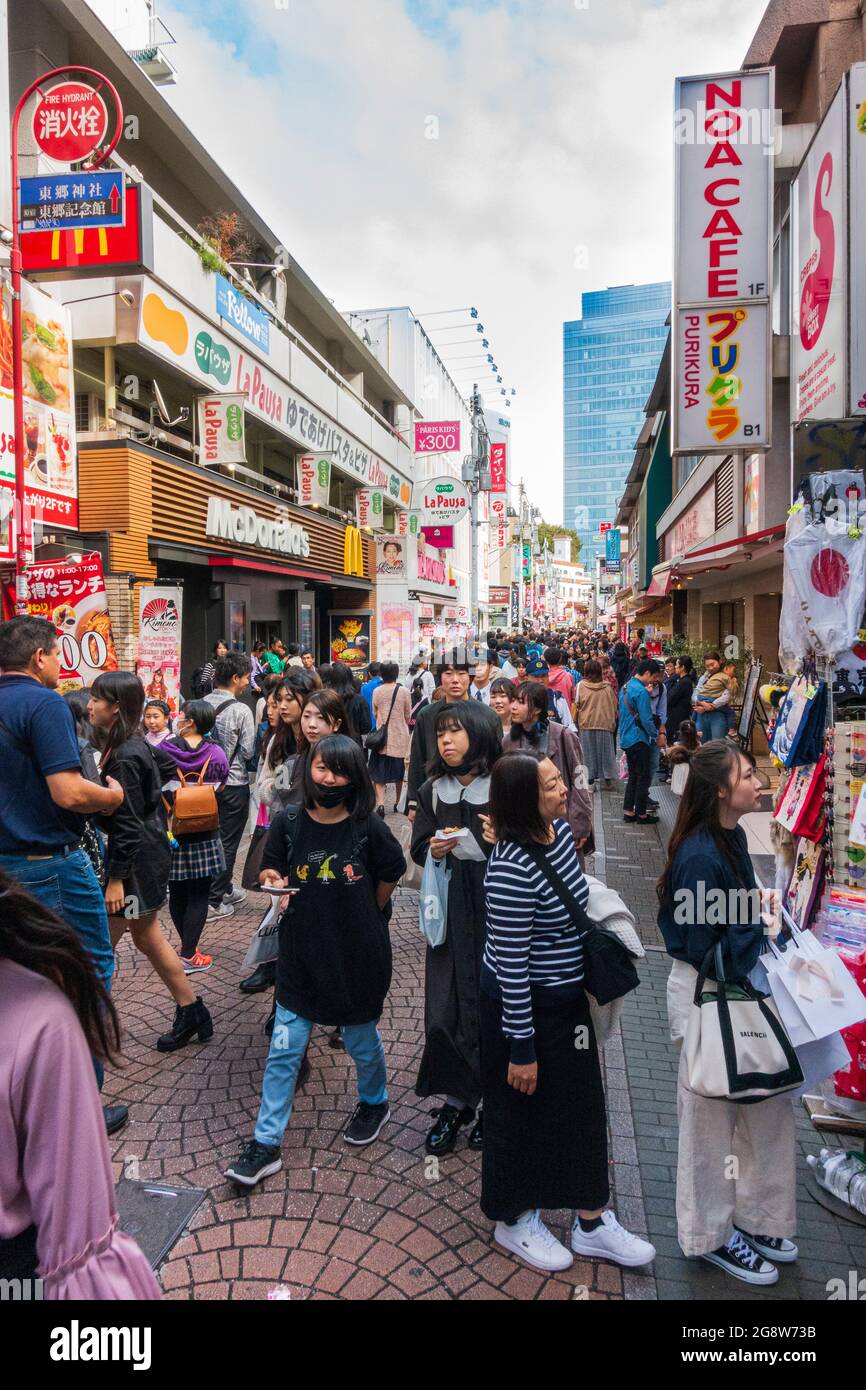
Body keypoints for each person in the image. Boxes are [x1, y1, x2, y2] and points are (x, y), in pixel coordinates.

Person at [481, 753, 655, 1273]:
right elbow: (511, 969)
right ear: (524, 800)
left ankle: (593, 1221)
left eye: (559, 778)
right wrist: (522, 1048)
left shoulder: (557, 834)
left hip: (566, 1001)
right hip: (522, 1011)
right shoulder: (508, 871)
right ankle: (513, 1218)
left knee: (581, 1106)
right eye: (552, 783)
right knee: (519, 1113)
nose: (564, 787)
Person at [225, 736, 405, 1186]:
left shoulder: (367, 825)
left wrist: (369, 909)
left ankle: (374, 1101)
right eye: (322, 768)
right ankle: (266, 1143)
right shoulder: (288, 821)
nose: (328, 779)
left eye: (339, 772)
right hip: (300, 952)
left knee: (361, 1040)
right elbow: (272, 869)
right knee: (284, 1048)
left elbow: (391, 872)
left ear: (355, 779)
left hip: (357, 953)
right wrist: (272, 880)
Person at [657, 741, 796, 1285]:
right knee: (710, 1121)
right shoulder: (698, 854)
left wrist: (753, 910)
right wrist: (755, 923)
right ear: (720, 789)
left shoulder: (731, 836)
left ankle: (757, 1218)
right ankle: (709, 1234)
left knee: (765, 1106)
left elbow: (722, 919)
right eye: (748, 774)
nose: (759, 782)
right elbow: (698, 942)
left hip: (735, 992)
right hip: (705, 996)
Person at [0, 871, 160, 1298]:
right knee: (137, 935)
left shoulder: (35, 1020)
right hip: (78, 880)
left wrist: (119, 876)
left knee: (137, 934)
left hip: (105, 876)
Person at [0, 617, 126, 1132]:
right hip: (48, 861)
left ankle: (25, 1098)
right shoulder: (43, 703)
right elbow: (71, 792)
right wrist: (113, 797)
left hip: (7, 865)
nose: (61, 664)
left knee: (19, 980)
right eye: (57, 654)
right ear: (38, 658)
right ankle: (76, 1104)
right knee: (87, 972)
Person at [88, 671, 213, 1052]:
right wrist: (151, 803)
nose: (90, 705)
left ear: (116, 707)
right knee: (144, 935)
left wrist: (115, 879)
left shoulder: (124, 754)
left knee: (103, 943)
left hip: (135, 864)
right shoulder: (132, 743)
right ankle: (192, 1011)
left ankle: (87, 1026)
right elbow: (161, 769)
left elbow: (124, 826)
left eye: (97, 699)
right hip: (146, 853)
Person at [411, 702, 501, 1155]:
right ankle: (457, 1100)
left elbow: (533, 841)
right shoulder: (432, 791)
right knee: (444, 1011)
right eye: (441, 734)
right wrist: (434, 849)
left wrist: (496, 842)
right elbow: (416, 847)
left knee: (492, 1006)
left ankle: (495, 1105)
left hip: (497, 914)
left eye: (455, 733)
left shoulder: (504, 787)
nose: (445, 741)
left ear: (481, 735)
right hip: (449, 914)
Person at [160, 700, 230, 973]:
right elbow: (221, 787)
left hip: (173, 828)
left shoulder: (163, 751)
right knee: (199, 893)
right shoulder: (217, 754)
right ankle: (190, 952)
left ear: (190, 722)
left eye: (182, 715)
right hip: (205, 829)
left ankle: (187, 948)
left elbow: (155, 784)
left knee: (177, 890)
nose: (177, 717)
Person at [405, 658, 501, 819]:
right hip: (436, 797)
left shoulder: (487, 716)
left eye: (462, 673)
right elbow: (418, 758)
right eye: (448, 673)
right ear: (440, 677)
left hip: (480, 797)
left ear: (470, 677)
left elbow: (496, 761)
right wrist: (413, 801)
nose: (455, 680)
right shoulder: (427, 715)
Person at [505, 682, 592, 854]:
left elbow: (581, 781)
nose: (513, 707)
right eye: (513, 700)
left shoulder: (563, 735)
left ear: (537, 709)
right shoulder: (509, 741)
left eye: (521, 702)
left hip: (560, 821)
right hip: (523, 825)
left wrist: (580, 822)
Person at [205, 652, 256, 921]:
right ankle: (214, 900)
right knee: (227, 841)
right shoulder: (240, 710)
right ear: (235, 678)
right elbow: (248, 751)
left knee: (208, 837)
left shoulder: (197, 705)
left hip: (202, 786)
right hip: (233, 783)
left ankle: (223, 888)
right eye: (246, 677)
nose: (249, 682)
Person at [619, 659, 660, 825]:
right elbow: (646, 719)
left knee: (634, 776)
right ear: (648, 673)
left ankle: (629, 811)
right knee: (642, 776)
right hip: (639, 738)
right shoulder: (642, 691)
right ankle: (641, 814)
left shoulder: (626, 686)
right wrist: (656, 735)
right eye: (654, 677)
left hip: (626, 737)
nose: (654, 681)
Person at [370, 662, 412, 816]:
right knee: (399, 773)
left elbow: (375, 713)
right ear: (396, 674)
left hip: (381, 740)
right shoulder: (404, 691)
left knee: (379, 774)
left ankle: (380, 804)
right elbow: (408, 715)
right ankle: (397, 802)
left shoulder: (377, 691)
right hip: (400, 737)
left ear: (382, 674)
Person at [575, 658, 618, 787]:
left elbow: (577, 704)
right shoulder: (608, 687)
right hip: (604, 724)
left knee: (588, 754)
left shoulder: (580, 686)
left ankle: (590, 781)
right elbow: (614, 705)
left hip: (586, 724)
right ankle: (607, 779)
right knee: (606, 753)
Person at [322, 660, 373, 746]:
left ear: (331, 679)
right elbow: (366, 727)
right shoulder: (360, 701)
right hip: (354, 745)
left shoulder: (325, 699)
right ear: (350, 678)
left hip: (329, 745)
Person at [523, 658, 575, 729]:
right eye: (536, 677)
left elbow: (569, 726)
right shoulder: (521, 699)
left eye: (544, 676)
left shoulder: (557, 698)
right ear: (527, 678)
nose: (541, 680)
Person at [692, 653, 731, 743]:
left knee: (718, 744)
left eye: (712, 664)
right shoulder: (704, 678)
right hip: (701, 715)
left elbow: (727, 695)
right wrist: (700, 703)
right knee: (702, 744)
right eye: (707, 666)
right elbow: (696, 692)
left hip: (717, 714)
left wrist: (712, 705)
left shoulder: (726, 677)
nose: (710, 668)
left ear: (720, 661)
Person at [665, 656, 695, 743]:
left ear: (682, 667)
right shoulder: (682, 680)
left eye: (677, 665)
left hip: (677, 718)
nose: (675, 667)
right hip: (677, 716)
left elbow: (670, 699)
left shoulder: (684, 682)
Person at [723, 660, 741, 735]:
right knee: (731, 712)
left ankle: (731, 729)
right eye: (733, 670)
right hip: (719, 703)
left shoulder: (729, 679)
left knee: (730, 712)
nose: (734, 673)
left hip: (721, 702)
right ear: (726, 669)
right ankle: (731, 729)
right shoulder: (724, 678)